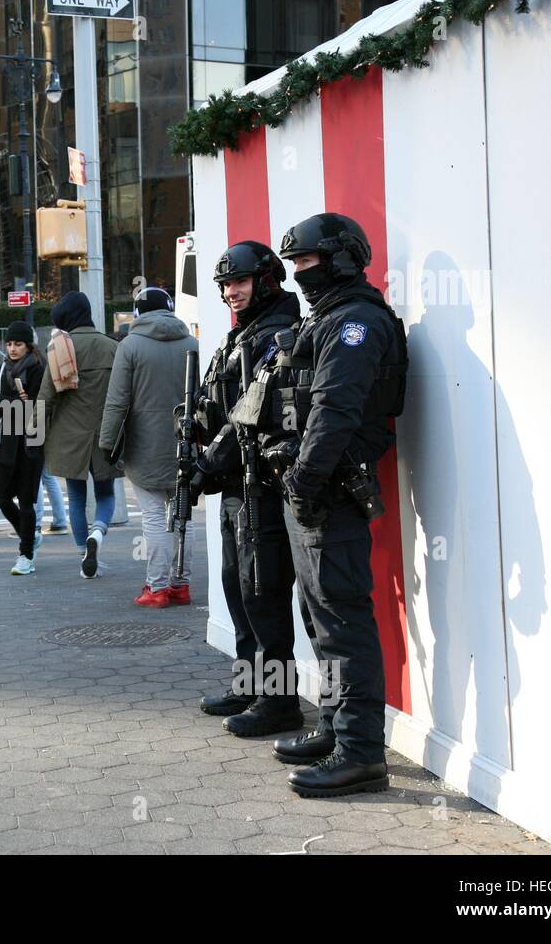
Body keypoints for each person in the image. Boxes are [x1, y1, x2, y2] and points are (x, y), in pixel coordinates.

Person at [257, 212, 409, 797]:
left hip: (330, 491)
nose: (298, 274)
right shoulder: (330, 317)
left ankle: (362, 754)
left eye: (307, 262)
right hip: (313, 487)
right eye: (292, 264)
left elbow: (336, 412)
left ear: (343, 256)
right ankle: (336, 728)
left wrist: (304, 479)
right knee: (319, 620)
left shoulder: (355, 323)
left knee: (342, 622)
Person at [189, 242, 305, 736]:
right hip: (237, 484)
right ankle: (250, 685)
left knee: (264, 595)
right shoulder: (245, 334)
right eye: (224, 286)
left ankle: (279, 703)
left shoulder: (277, 334)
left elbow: (251, 417)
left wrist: (205, 464)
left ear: (267, 281)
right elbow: (223, 405)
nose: (231, 292)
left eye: (239, 282)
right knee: (237, 590)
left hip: (263, 487)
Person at [98, 287, 196, 607]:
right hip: (186, 441)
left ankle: (156, 589)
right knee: (183, 515)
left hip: (145, 445)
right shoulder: (192, 343)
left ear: (138, 313)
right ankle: (180, 584)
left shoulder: (130, 346)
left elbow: (117, 401)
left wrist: (107, 442)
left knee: (153, 515)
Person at [38, 291, 122, 579]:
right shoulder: (111, 347)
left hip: (68, 437)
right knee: (106, 493)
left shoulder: (59, 349)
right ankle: (97, 533)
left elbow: (45, 400)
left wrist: (33, 435)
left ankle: (82, 553)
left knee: (76, 497)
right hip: (106, 434)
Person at [0, 320, 46, 575]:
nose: (12, 348)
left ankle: (26, 555)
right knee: (1, 496)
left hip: (31, 442)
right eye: (9, 343)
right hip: (6, 441)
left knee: (26, 502)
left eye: (18, 344)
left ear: (28, 346)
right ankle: (29, 533)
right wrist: (11, 401)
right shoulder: (1, 371)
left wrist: (11, 403)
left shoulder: (38, 370)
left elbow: (38, 407)